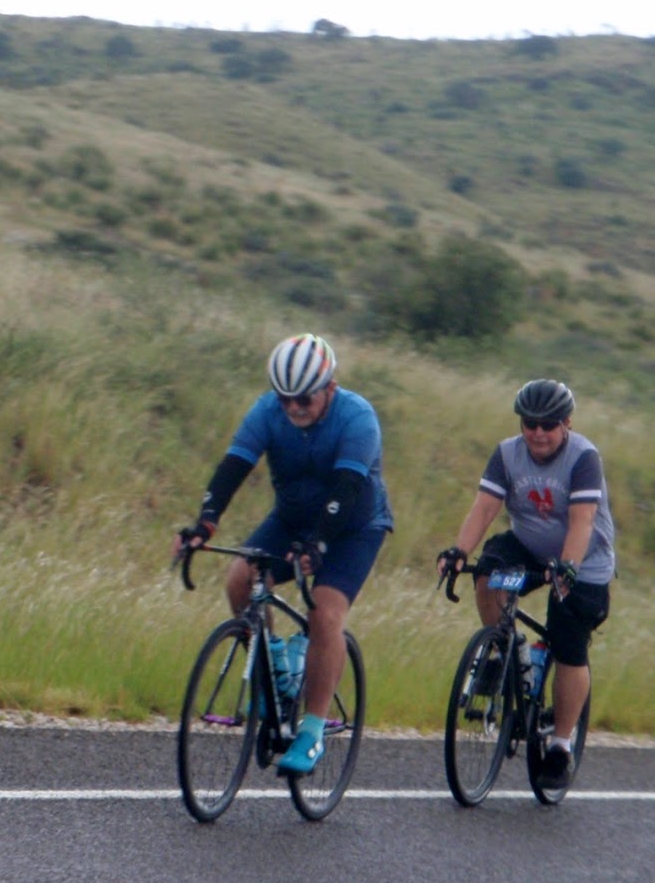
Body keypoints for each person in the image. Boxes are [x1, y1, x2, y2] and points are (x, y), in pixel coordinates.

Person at [173, 333, 393, 775]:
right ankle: (275, 669)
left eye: (304, 399)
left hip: (352, 528)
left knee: (324, 615)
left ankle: (311, 732)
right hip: (290, 521)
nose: (294, 407)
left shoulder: (358, 418)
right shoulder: (267, 412)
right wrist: (205, 523)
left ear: (329, 387)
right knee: (240, 580)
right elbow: (233, 468)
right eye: (285, 397)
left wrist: (320, 545)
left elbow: (346, 490)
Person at [435, 379, 614, 791]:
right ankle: (504, 647)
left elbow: (582, 520)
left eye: (547, 425)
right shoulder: (506, 454)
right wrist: (460, 551)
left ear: (566, 423)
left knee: (568, 643)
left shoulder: (584, 457)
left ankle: (560, 747)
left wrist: (566, 568)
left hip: (582, 559)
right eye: (529, 423)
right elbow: (485, 506)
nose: (537, 432)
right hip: (529, 545)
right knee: (487, 572)